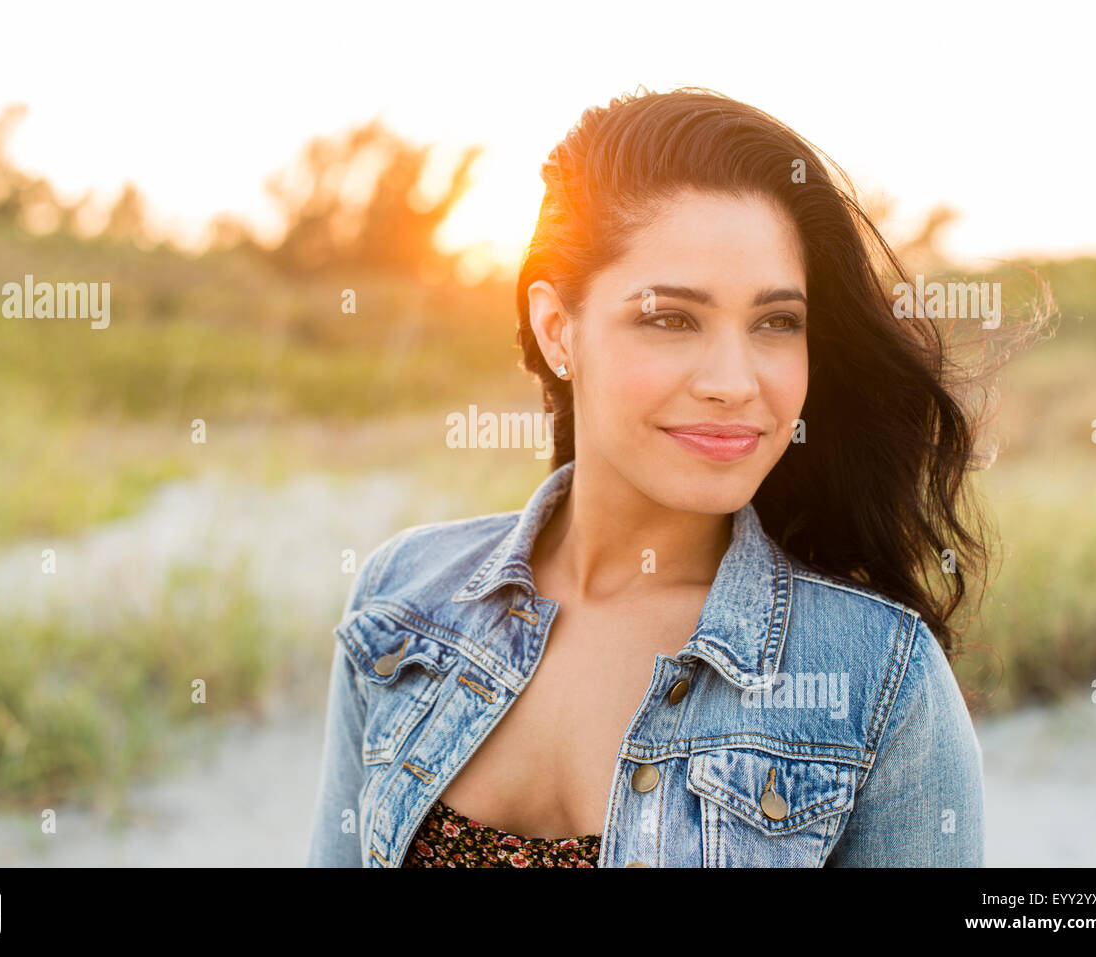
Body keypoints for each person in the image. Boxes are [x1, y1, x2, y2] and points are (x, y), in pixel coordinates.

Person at [308, 86, 1043, 868]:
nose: (733, 380)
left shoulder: (879, 676)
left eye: (776, 322)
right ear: (560, 330)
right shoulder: (405, 598)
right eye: (670, 317)